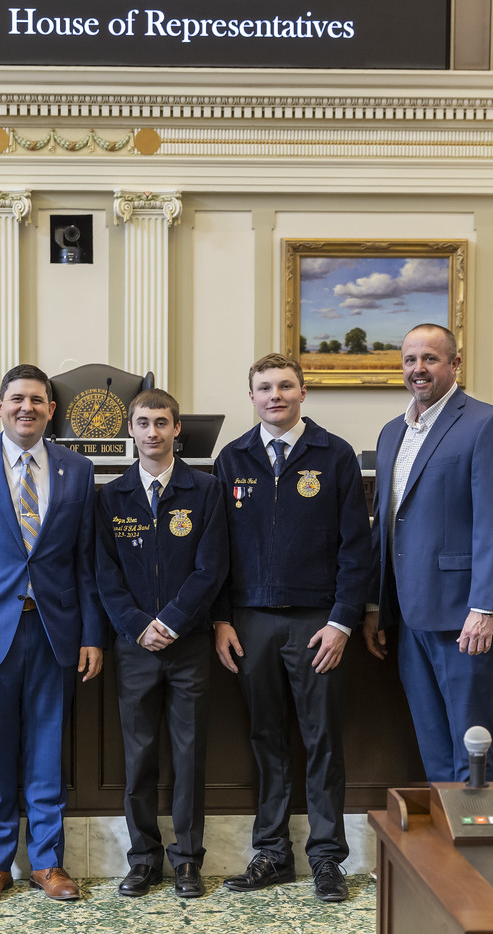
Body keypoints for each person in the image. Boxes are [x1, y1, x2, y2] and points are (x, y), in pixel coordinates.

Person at [0, 364, 105, 904]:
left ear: (51, 410)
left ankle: (49, 864)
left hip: (56, 630)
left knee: (48, 751)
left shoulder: (78, 469)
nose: (26, 407)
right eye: (16, 399)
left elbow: (86, 561)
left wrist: (92, 635)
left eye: (37, 400)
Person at [211, 354, 370, 903]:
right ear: (250, 396)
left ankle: (327, 858)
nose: (274, 395)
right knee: (265, 737)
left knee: (321, 737)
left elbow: (357, 548)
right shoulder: (232, 459)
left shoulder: (335, 455)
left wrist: (343, 621)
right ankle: (272, 854)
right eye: (263, 388)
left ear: (303, 393)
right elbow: (218, 552)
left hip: (316, 622)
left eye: (285, 386)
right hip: (250, 622)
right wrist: (222, 618)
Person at [362, 323, 493, 783]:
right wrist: (375, 604)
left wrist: (485, 607)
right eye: (410, 360)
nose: (419, 369)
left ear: (455, 364)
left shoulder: (487, 423)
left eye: (430, 359)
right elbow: (385, 521)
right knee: (432, 741)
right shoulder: (393, 432)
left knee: (470, 744)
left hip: (464, 615)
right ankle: (442, 850)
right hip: (409, 613)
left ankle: (478, 849)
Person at [95, 388, 229, 899]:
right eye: (143, 422)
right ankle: (143, 858)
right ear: (130, 430)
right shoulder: (110, 496)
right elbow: (104, 574)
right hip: (133, 647)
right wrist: (136, 625)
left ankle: (188, 860)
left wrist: (171, 622)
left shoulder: (206, 490)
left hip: (188, 643)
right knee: (139, 755)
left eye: (162, 423)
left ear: (177, 429)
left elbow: (211, 567)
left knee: (189, 754)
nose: (153, 432)